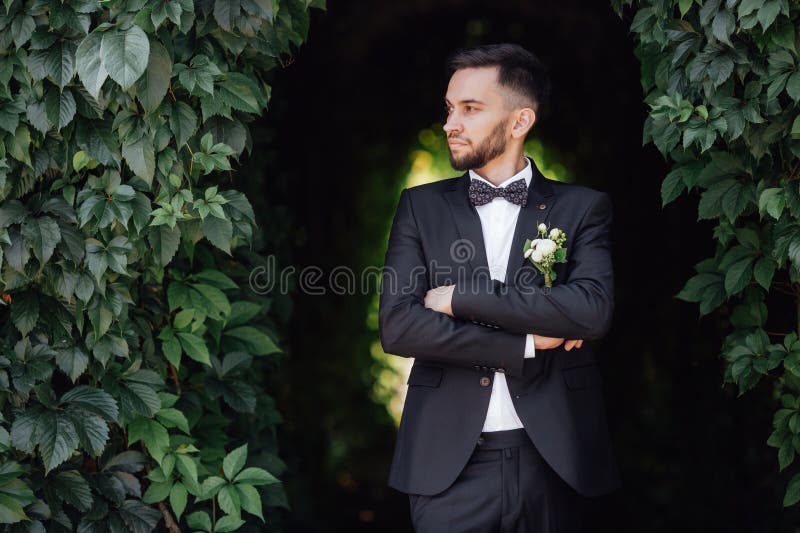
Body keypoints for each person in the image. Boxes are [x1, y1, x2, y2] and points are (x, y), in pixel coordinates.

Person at [378, 43, 621, 532]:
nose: (451, 123)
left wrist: (460, 298)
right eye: (450, 108)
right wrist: (527, 342)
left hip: (556, 459)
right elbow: (400, 325)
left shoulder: (582, 209)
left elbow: (591, 311)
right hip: (446, 465)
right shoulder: (419, 207)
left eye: (470, 109)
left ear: (519, 122)